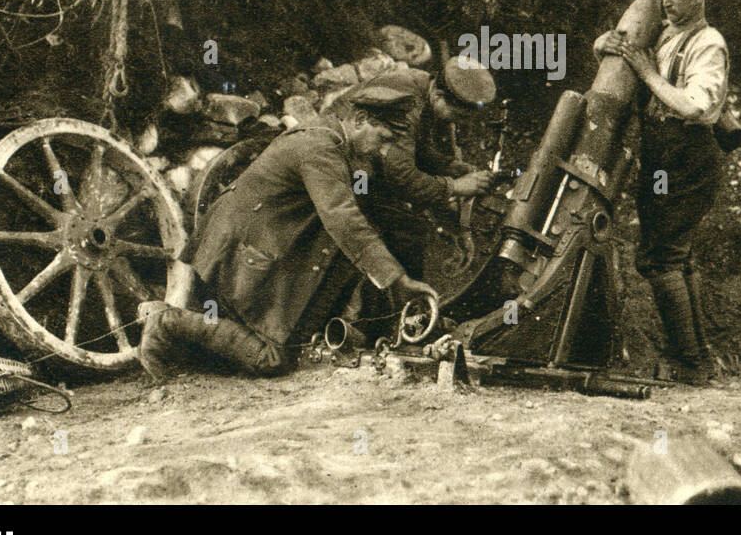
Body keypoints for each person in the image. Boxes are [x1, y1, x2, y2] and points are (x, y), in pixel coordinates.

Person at [138, 86, 438, 380]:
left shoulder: (335, 139)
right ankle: (166, 321)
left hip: (262, 241)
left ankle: (177, 326)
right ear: (359, 120)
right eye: (383, 139)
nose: (383, 150)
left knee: (291, 343)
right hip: (241, 249)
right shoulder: (320, 148)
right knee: (272, 359)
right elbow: (342, 217)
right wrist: (397, 279)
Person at [593, 0, 729, 385]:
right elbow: (618, 42)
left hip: (689, 155)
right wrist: (606, 44)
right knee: (675, 259)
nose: (667, 3)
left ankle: (689, 362)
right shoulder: (668, 31)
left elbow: (697, 106)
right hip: (661, 155)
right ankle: (696, 357)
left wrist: (648, 73)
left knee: (659, 260)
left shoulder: (709, 44)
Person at [341, 58, 497, 271]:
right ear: (440, 96)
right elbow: (401, 175)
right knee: (400, 230)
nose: (457, 123)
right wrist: (456, 186)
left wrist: (445, 166)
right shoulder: (405, 103)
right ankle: (399, 297)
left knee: (404, 222)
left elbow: (411, 148)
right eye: (457, 115)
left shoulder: (426, 88)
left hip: (361, 162)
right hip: (348, 169)